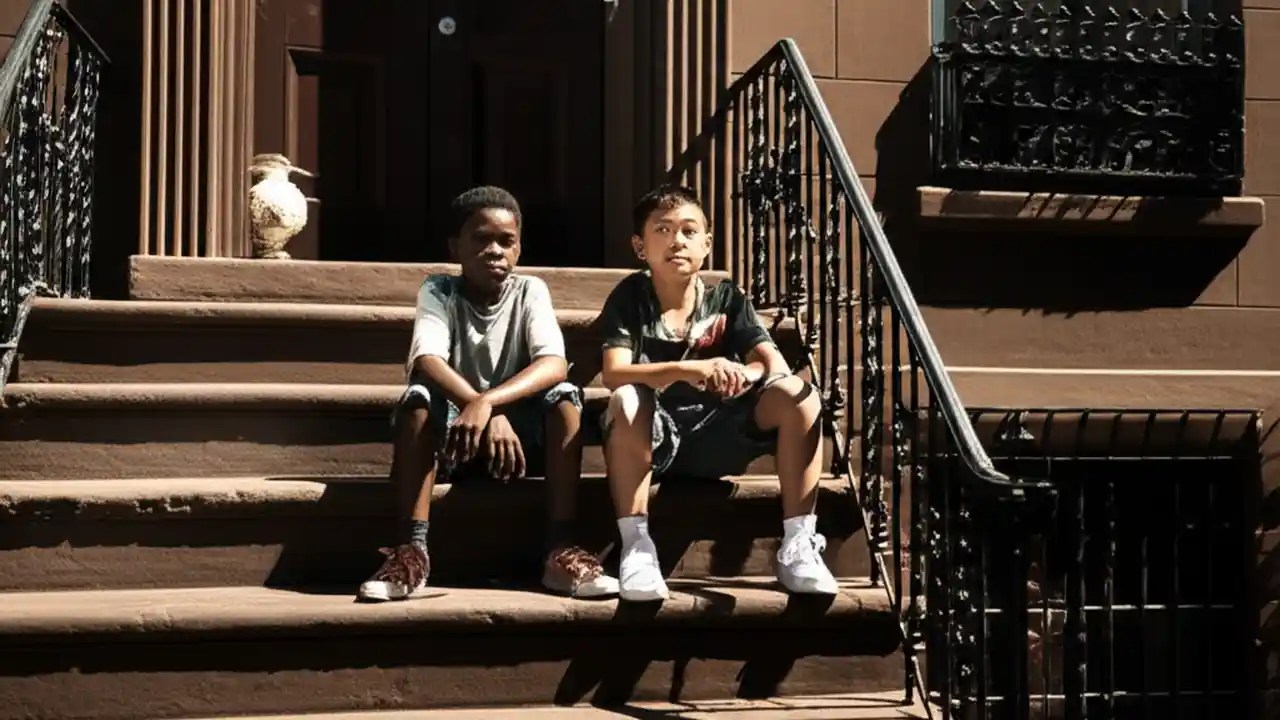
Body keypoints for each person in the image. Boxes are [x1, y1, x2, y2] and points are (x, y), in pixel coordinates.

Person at [358, 186, 619, 602]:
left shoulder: (530, 290)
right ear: (455, 247)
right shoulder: (439, 290)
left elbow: (554, 363)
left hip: (519, 446)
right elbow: (427, 359)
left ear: (519, 249)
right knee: (418, 400)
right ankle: (412, 551)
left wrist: (490, 403)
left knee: (566, 396)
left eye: (506, 241)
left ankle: (560, 549)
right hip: (455, 442)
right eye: (481, 239)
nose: (494, 250)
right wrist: (478, 406)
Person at [597, 184, 838, 602]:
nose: (677, 241)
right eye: (663, 230)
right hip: (655, 437)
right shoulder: (630, 297)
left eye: (689, 231)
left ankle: (798, 545)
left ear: (707, 245)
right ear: (640, 246)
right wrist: (689, 369)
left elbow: (773, 365)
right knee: (628, 399)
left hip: (720, 433)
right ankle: (637, 548)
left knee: (800, 395)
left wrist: (742, 372)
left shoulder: (727, 298)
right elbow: (614, 373)